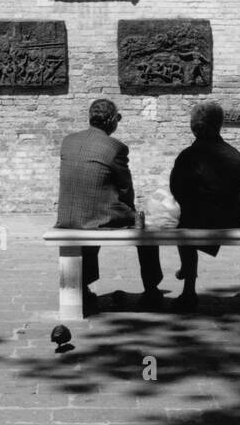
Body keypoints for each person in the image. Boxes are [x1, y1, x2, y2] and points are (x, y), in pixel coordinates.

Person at [56, 98, 164, 311]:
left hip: (68, 215)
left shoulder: (68, 141)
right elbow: (125, 188)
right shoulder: (116, 148)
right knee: (145, 230)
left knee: (90, 215)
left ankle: (84, 285)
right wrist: (131, 212)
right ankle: (152, 288)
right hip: (98, 215)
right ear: (112, 121)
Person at [169, 101, 240, 311]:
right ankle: (186, 273)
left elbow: (176, 190)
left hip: (195, 220)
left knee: (184, 224)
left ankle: (189, 288)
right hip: (228, 218)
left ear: (193, 127)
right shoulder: (236, 156)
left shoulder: (187, 157)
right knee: (189, 222)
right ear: (219, 125)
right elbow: (239, 189)